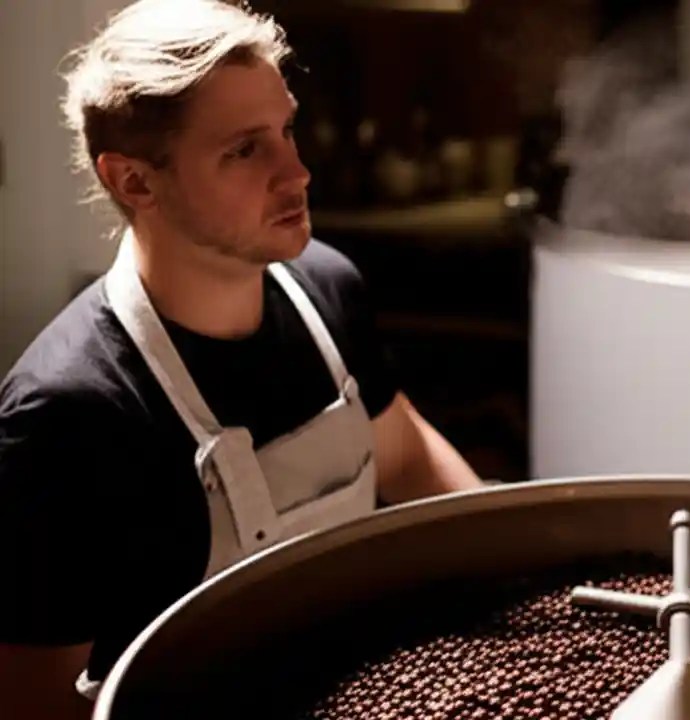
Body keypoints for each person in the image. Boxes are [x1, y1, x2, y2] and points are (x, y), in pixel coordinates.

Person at [0, 1, 486, 717]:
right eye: (245, 149)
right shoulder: (64, 417)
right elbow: (31, 703)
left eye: (287, 130)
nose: (298, 173)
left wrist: (519, 598)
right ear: (134, 182)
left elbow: (408, 461)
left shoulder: (329, 289)